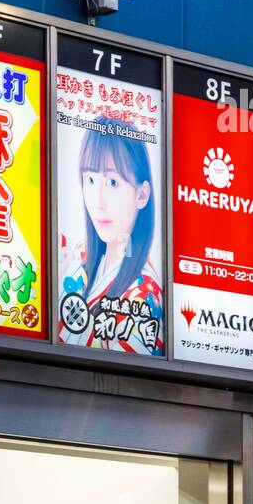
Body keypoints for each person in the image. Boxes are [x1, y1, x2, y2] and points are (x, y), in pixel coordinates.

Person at [59, 126, 163, 356]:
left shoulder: (145, 293)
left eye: (112, 182)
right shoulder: (78, 255)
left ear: (141, 195)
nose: (98, 201)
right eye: (90, 180)